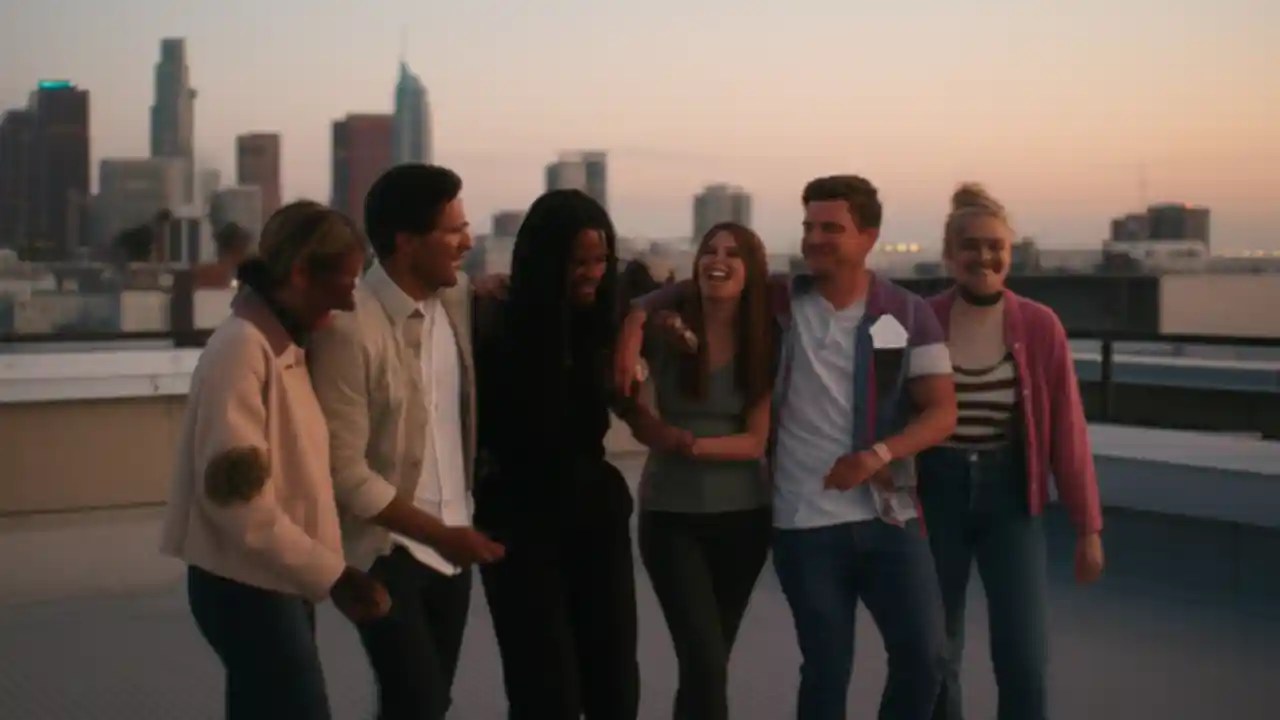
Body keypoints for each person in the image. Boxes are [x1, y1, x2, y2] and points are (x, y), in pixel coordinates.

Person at [619, 175, 958, 720]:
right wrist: (639, 311)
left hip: (887, 515)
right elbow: (700, 284)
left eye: (832, 228)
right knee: (826, 666)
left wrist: (877, 455)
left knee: (925, 656)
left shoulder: (904, 314)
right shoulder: (781, 301)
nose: (816, 238)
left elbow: (942, 411)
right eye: (809, 227)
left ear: (868, 236)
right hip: (804, 523)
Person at [160, 200, 391, 720]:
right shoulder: (243, 350)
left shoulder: (281, 345)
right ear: (300, 273)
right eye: (346, 282)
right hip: (245, 585)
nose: (352, 301)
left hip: (275, 579)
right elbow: (236, 501)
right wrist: (335, 576)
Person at [307, 164, 506, 719]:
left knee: (428, 704)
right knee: (414, 699)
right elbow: (343, 472)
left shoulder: (457, 299)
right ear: (405, 241)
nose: (468, 242)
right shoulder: (350, 328)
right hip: (387, 550)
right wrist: (442, 535)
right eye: (453, 231)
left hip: (452, 545)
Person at [919, 183, 1105, 720]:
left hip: (1011, 499)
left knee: (1024, 657)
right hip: (937, 493)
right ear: (950, 256)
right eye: (971, 245)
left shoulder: (1040, 325)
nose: (984, 256)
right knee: (934, 653)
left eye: (995, 245)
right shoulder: (918, 319)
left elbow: (1067, 430)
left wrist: (1088, 527)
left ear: (1010, 252)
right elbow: (873, 379)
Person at [473, 189, 649, 719]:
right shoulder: (493, 320)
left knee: (615, 686)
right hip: (518, 520)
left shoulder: (606, 317)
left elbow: (661, 293)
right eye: (578, 262)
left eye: (601, 261)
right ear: (548, 260)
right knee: (545, 692)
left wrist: (634, 326)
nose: (592, 273)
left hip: (594, 513)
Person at [628, 222, 776, 720]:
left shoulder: (764, 338)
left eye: (734, 253)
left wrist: (686, 443)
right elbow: (631, 401)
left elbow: (754, 441)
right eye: (709, 250)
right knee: (704, 661)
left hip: (743, 520)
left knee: (708, 666)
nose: (719, 259)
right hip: (671, 516)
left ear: (751, 271)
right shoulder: (666, 329)